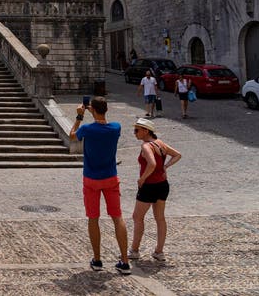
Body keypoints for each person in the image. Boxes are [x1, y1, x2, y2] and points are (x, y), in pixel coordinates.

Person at [69, 96, 131, 275]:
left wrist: (80, 116)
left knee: (93, 218)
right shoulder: (116, 128)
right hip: (110, 177)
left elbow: (72, 135)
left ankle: (97, 260)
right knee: (117, 217)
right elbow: (105, 122)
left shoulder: (87, 129)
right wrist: (95, 112)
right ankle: (124, 261)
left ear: (92, 110)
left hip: (91, 178)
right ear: (106, 109)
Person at [128, 117, 181, 263]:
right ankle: (159, 251)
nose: (135, 133)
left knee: (137, 217)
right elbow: (177, 155)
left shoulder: (146, 146)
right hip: (163, 185)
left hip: (149, 185)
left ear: (146, 131)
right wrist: (165, 166)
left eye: (137, 130)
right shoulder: (160, 144)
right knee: (160, 218)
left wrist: (142, 178)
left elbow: (151, 164)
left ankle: (134, 250)